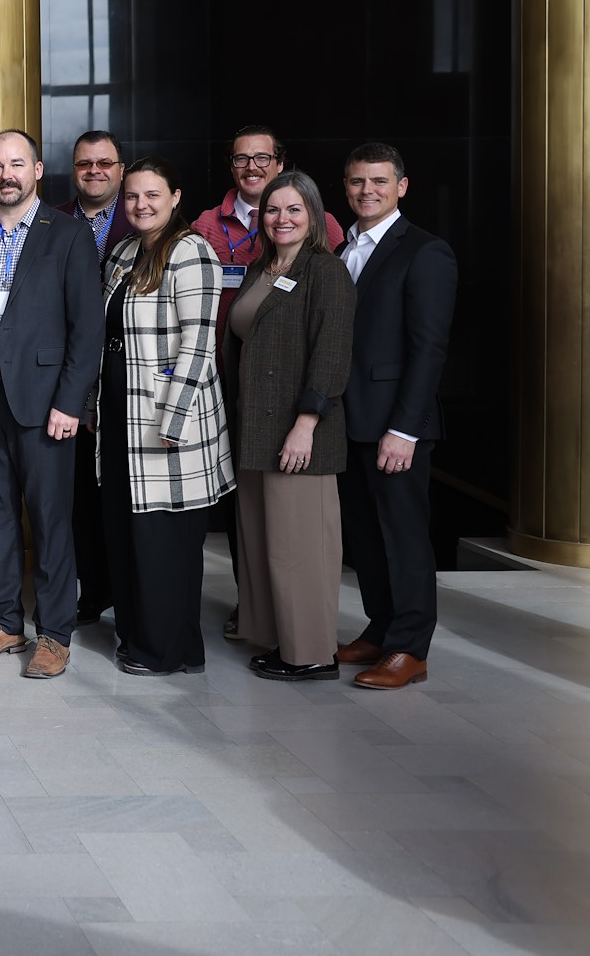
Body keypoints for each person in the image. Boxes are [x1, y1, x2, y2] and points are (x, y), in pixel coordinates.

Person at [0, 129, 101, 679]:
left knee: (51, 521)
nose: (5, 174)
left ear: (36, 172)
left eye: (16, 164)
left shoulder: (69, 236)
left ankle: (54, 633)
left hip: (45, 404)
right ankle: (5, 621)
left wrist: (70, 402)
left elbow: (87, 330)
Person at [96, 159, 236, 677]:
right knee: (130, 537)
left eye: (153, 195)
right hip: (119, 415)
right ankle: (139, 636)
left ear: (175, 196)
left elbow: (199, 345)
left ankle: (167, 650)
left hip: (165, 422)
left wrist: (172, 422)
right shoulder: (125, 252)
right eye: (132, 196)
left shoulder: (192, 251)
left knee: (165, 545)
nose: (141, 205)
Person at [222, 170, 355, 682]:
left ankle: (313, 654)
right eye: (273, 210)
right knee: (264, 541)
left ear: (314, 216)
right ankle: (279, 636)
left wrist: (306, 424)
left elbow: (332, 353)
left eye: (294, 209)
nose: (282, 218)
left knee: (302, 547)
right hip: (256, 428)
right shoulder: (262, 268)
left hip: (299, 433)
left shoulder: (325, 271)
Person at [334, 143, 456, 691]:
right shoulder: (343, 250)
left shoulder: (425, 252)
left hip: (395, 426)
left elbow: (429, 349)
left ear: (401, 187)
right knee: (364, 536)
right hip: (349, 421)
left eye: (379, 181)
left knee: (403, 537)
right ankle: (381, 628)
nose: (368, 191)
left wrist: (404, 429)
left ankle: (410, 648)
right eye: (358, 181)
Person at [56, 130, 132, 625]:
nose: (94, 171)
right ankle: (92, 590)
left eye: (105, 163)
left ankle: (125, 593)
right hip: (66, 380)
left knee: (120, 496)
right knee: (78, 495)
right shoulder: (53, 221)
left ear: (121, 170)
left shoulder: (145, 216)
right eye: (85, 164)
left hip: (125, 378)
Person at [193, 126, 346, 327]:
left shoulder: (321, 223)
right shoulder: (206, 225)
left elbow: (337, 296)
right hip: (224, 352)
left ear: (280, 164)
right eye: (241, 159)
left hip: (288, 350)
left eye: (262, 157)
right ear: (232, 167)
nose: (252, 167)